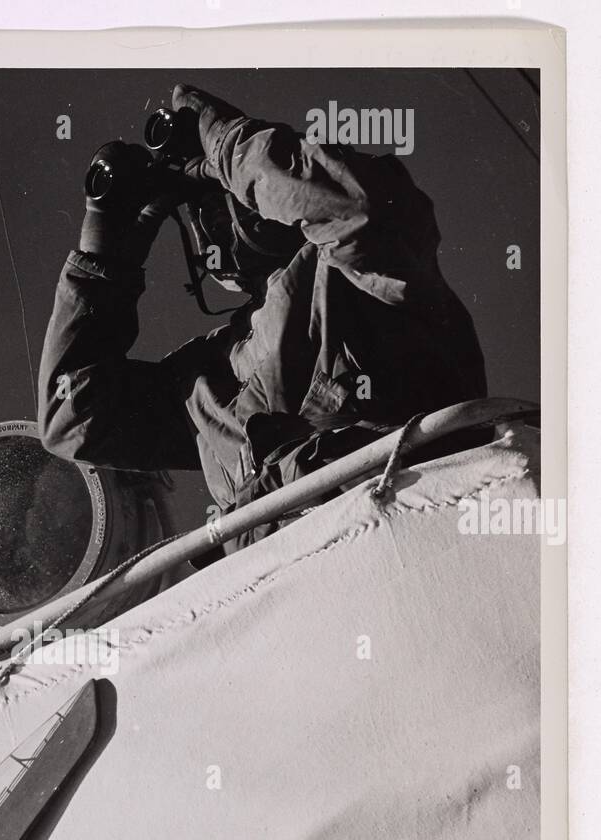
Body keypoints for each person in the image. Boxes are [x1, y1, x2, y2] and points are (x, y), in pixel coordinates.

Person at [38, 84, 487, 548]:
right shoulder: (208, 378)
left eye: (226, 197)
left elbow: (359, 211)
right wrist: (106, 254)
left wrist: (226, 145)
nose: (218, 222)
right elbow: (71, 418)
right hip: (281, 590)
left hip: (405, 536)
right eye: (203, 213)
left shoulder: (360, 277)